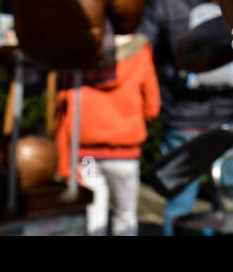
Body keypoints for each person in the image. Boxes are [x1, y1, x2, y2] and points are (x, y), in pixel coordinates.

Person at [139, 0, 233, 235]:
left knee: (179, 204)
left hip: (183, 118)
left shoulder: (163, 1)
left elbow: (144, 49)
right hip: (230, 119)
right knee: (227, 204)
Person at [54, 32, 159, 236]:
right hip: (125, 154)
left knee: (94, 217)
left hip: (87, 155)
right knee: (126, 217)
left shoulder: (78, 54)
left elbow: (63, 110)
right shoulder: (140, 53)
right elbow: (152, 109)